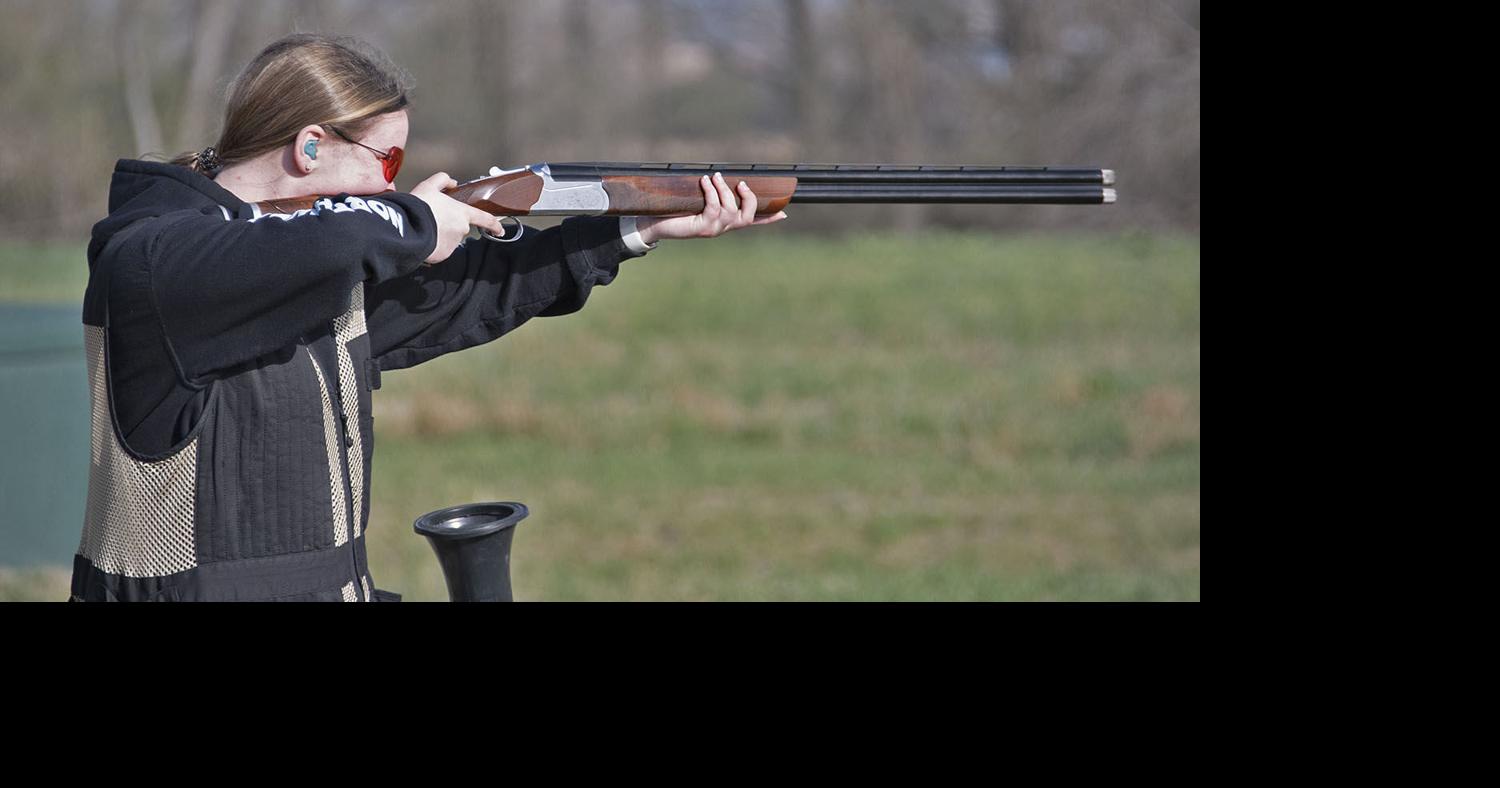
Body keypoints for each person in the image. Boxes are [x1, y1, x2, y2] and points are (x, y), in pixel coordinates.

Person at [69, 33, 787, 602]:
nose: (395, 181)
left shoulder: (304, 269)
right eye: (388, 161)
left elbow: (472, 292)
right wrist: (414, 220)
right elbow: (341, 239)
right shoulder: (157, 261)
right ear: (310, 145)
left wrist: (639, 228)